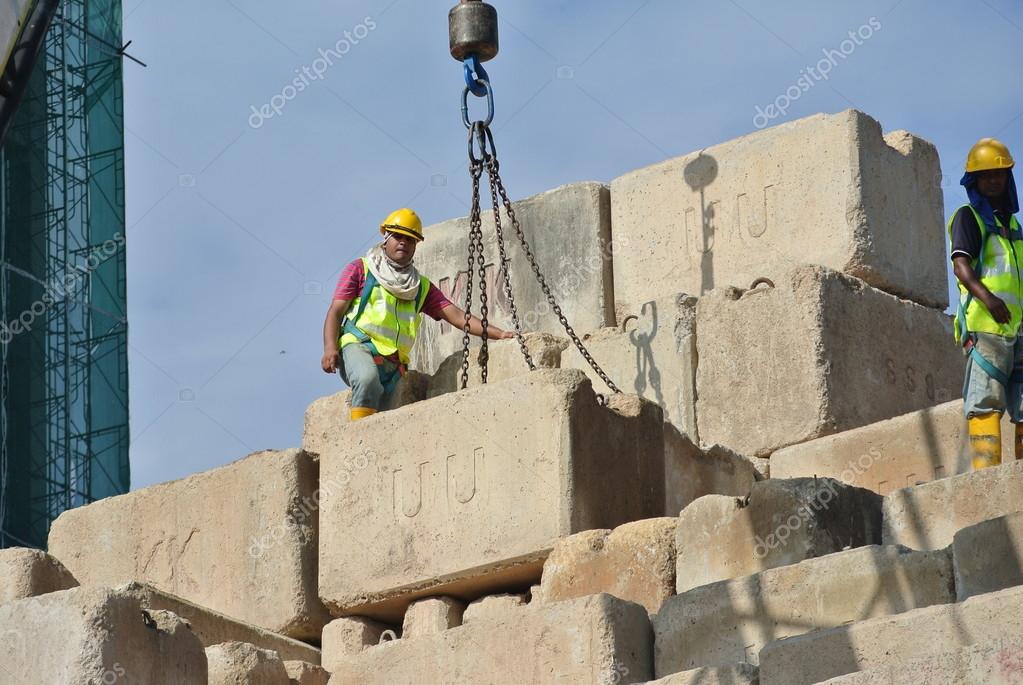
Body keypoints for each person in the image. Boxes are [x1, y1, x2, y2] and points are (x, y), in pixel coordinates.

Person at [321, 208, 514, 420]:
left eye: (410, 239)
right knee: (367, 381)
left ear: (415, 246)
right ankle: (356, 439)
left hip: (393, 363)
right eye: (398, 237)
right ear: (386, 239)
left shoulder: (419, 287)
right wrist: (330, 348)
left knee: (389, 415)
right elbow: (336, 311)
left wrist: (498, 334)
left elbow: (457, 317)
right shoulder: (361, 270)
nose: (403, 242)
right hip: (359, 346)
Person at [948, 138, 1021, 469]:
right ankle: (987, 479)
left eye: (999, 174)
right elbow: (961, 264)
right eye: (985, 175)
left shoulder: (1014, 227)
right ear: (974, 181)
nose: (993, 180)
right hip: (986, 327)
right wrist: (988, 299)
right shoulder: (969, 217)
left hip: (1017, 329)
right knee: (985, 401)